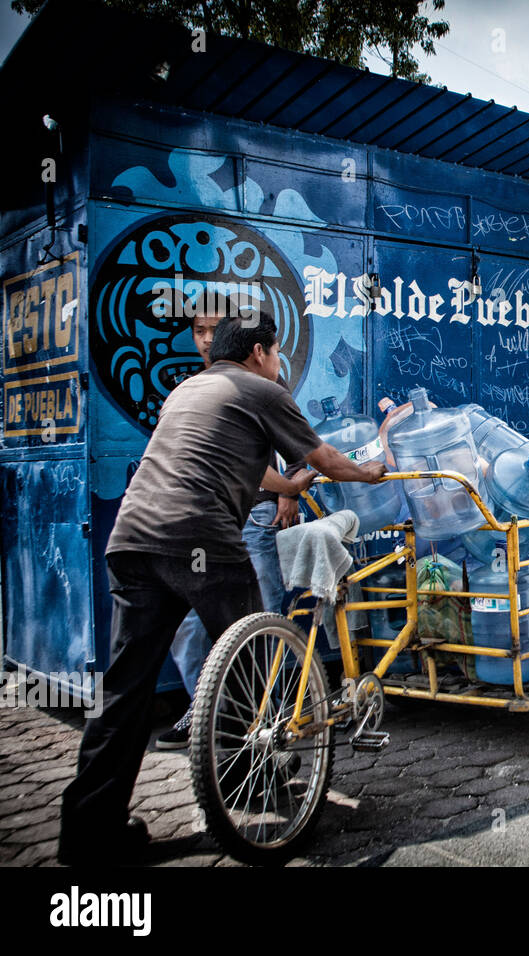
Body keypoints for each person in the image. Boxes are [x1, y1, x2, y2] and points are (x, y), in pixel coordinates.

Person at [58, 311, 387, 865]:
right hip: (198, 538)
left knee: (125, 688)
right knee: (250, 657)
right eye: (276, 350)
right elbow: (327, 458)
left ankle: (88, 829)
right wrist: (370, 472)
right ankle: (247, 777)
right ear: (259, 352)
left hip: (133, 538)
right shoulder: (263, 388)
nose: (279, 360)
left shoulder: (191, 390)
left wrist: (289, 485)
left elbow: (252, 474)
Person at [157, 309, 307, 750]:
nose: (206, 339)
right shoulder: (190, 388)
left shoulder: (268, 383)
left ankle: (272, 719)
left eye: (213, 330)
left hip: (256, 517)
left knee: (261, 620)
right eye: (197, 331)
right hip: (203, 524)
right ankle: (208, 714)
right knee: (188, 627)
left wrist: (289, 493)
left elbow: (301, 448)